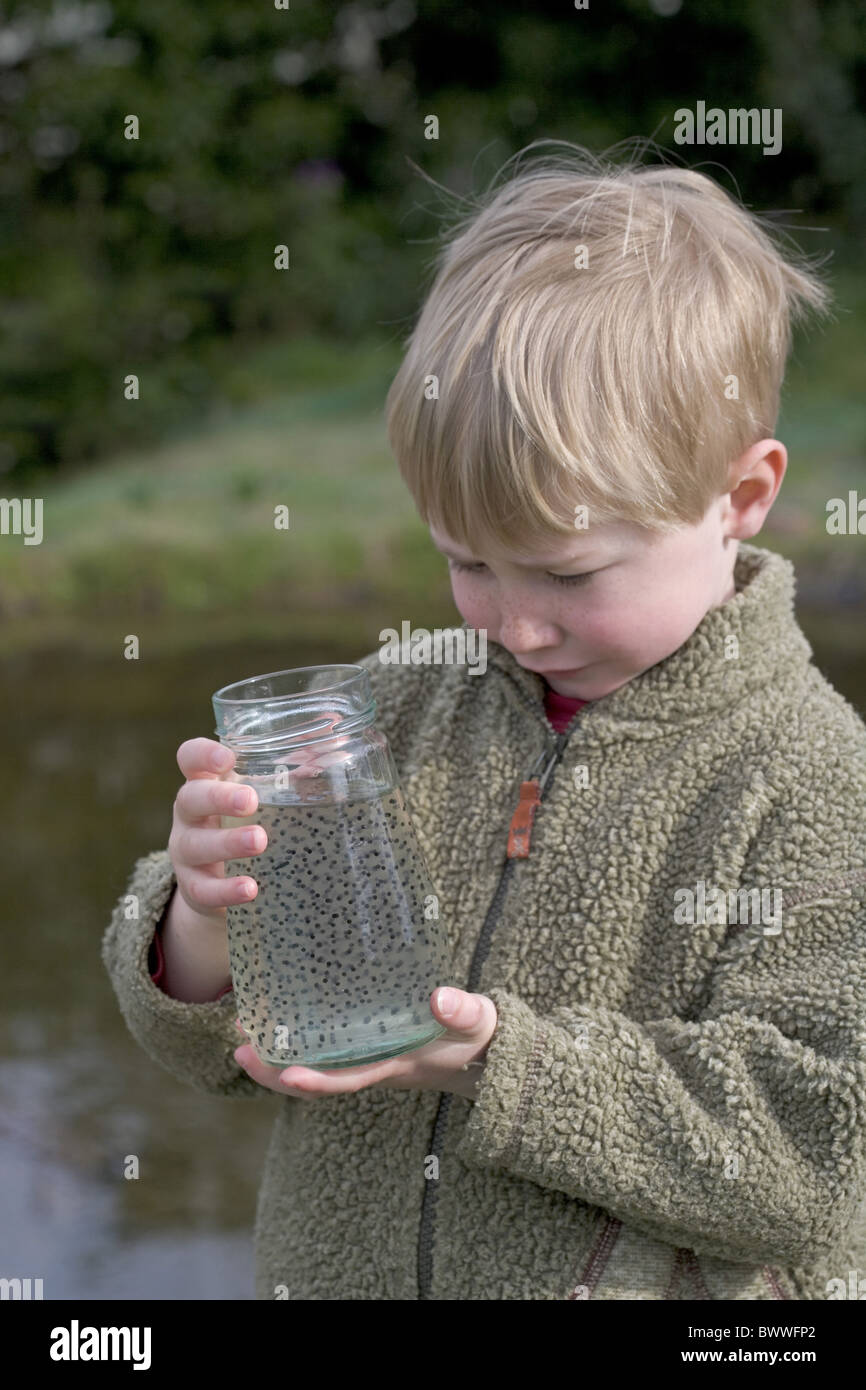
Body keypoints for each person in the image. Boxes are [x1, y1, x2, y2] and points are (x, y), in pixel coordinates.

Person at [102, 144, 866, 1300]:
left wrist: (498, 1061)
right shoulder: (386, 714)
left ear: (741, 498)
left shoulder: (812, 780)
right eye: (466, 562)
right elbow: (215, 1049)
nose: (513, 622)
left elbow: (809, 1152)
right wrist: (202, 924)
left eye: (567, 576)